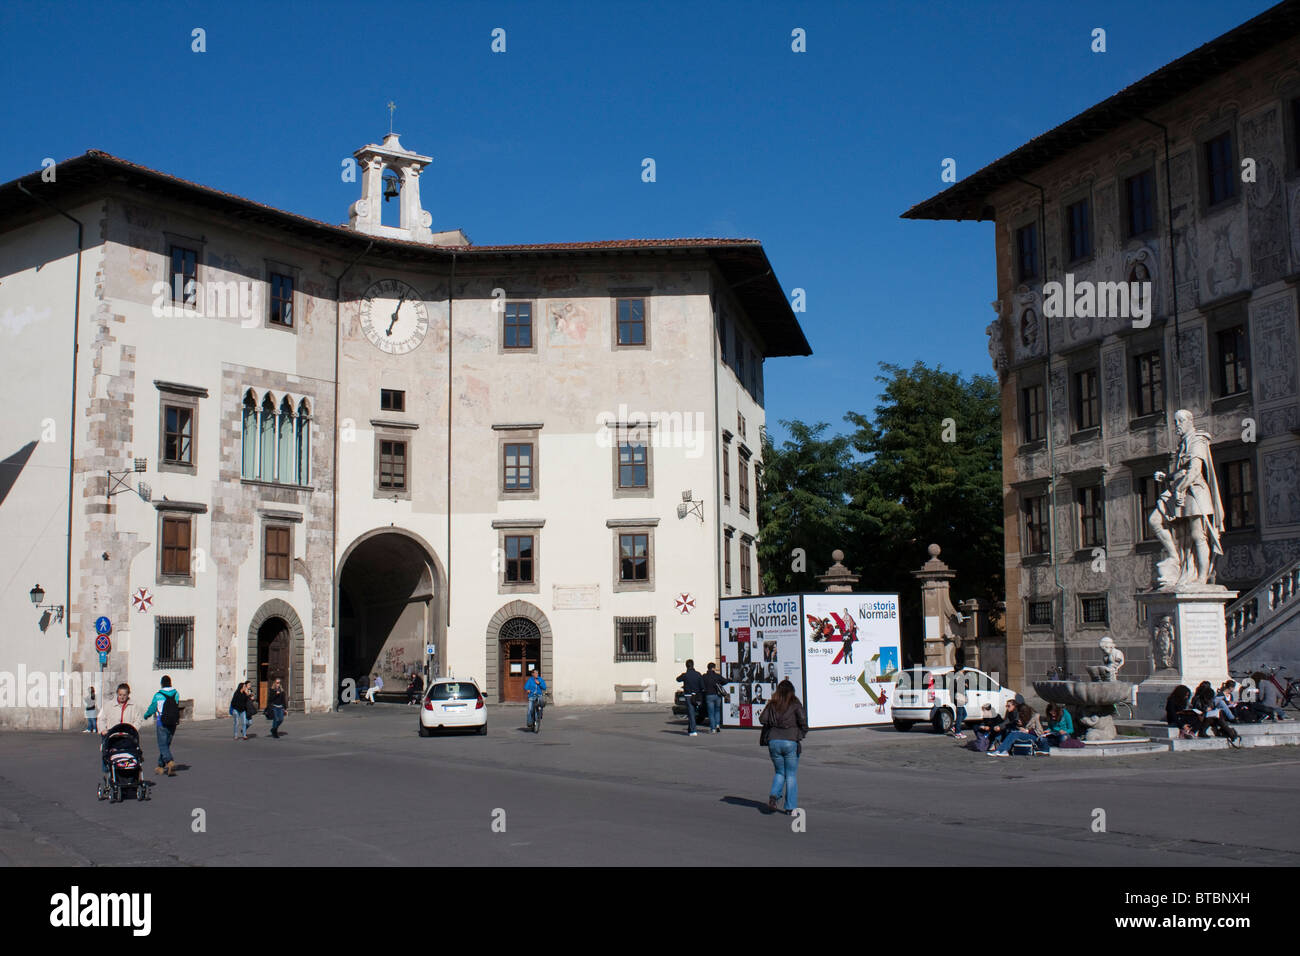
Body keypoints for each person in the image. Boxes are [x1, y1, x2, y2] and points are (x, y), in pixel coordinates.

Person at [760, 679, 807, 814]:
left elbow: (762, 719)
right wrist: (800, 734)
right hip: (790, 740)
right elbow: (803, 721)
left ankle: (774, 795)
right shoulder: (795, 703)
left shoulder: (773, 703)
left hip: (774, 740)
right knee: (791, 775)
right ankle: (790, 807)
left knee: (780, 772)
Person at [97, 683, 142, 781]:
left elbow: (138, 719)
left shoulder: (134, 706)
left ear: (128, 694)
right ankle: (109, 775)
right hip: (112, 736)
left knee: (129, 755)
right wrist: (102, 729)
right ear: (117, 693)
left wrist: (133, 729)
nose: (122, 697)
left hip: (127, 737)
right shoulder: (109, 705)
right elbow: (101, 719)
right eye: (120, 694)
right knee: (108, 755)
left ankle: (129, 776)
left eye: (124, 695)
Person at [142, 676, 181, 776]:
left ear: (162, 684)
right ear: (170, 683)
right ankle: (160, 766)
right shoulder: (176, 693)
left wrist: (146, 715)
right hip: (173, 722)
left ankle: (170, 761)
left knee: (162, 744)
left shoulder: (158, 695)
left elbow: (153, 707)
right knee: (166, 744)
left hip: (161, 722)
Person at [676, 659, 704, 736]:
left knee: (691, 713)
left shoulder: (685, 675)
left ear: (686, 666)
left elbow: (678, 679)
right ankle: (690, 728)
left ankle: (693, 730)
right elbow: (702, 686)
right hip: (696, 696)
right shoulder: (698, 674)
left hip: (688, 696)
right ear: (693, 665)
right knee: (693, 713)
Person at [701, 662, 727, 734]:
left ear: (708, 668)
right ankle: (718, 725)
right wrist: (720, 684)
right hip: (718, 696)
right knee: (717, 711)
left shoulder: (704, 677)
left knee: (711, 713)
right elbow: (725, 681)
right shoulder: (717, 676)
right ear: (713, 668)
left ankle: (713, 728)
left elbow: (701, 685)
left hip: (709, 695)